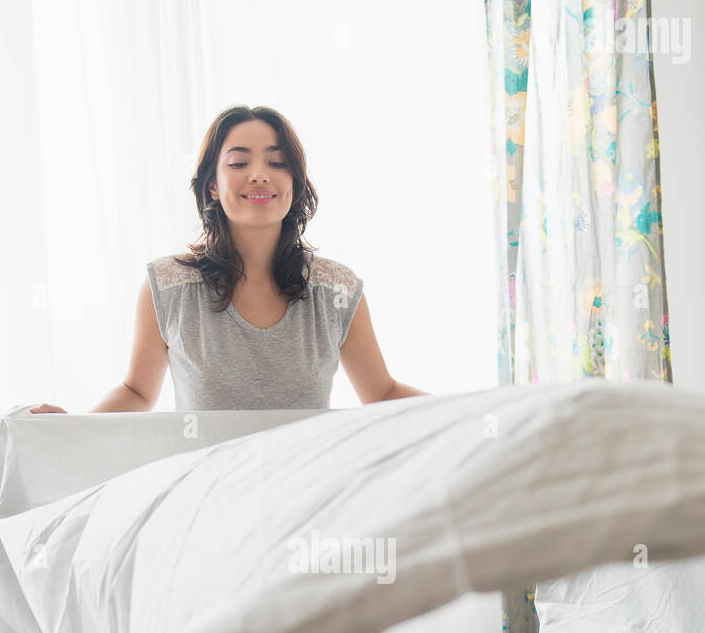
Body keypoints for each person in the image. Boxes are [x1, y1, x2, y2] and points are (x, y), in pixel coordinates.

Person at [31, 104, 425, 414]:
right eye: (238, 163)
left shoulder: (337, 291)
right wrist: (73, 428)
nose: (258, 175)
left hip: (304, 503)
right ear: (212, 187)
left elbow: (382, 393)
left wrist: (476, 413)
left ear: (295, 184)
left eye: (277, 162)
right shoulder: (168, 287)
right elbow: (136, 392)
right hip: (205, 502)